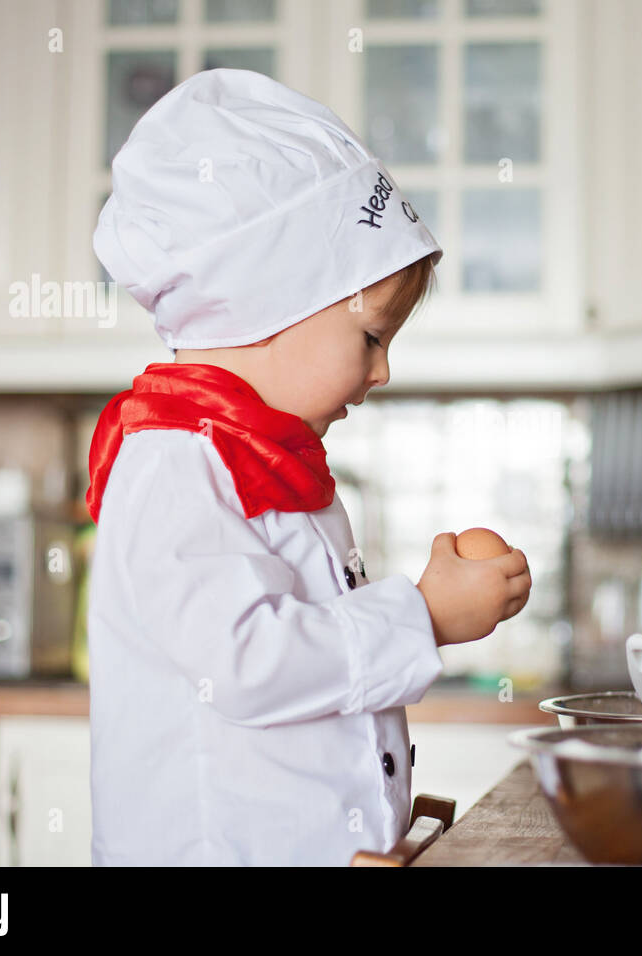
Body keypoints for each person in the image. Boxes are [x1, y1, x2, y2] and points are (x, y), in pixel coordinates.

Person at [84, 69, 531, 865]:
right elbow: (249, 664)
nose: (383, 371)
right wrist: (421, 616)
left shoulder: (263, 455)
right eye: (371, 338)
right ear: (264, 308)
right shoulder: (172, 464)